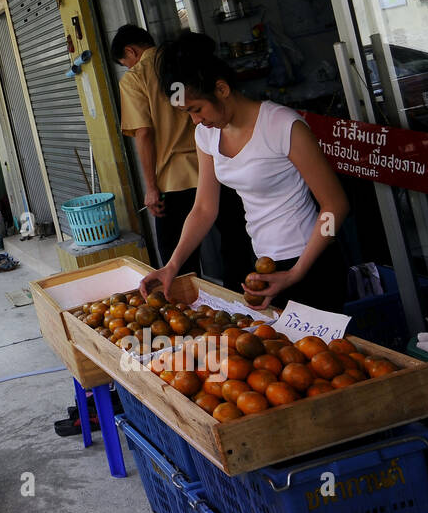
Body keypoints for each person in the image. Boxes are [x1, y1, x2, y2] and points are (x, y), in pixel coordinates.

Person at [139, 32, 351, 312]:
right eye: (188, 114)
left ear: (222, 90)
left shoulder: (283, 125)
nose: (196, 120)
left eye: (197, 109)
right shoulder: (206, 136)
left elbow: (335, 206)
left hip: (311, 262)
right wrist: (172, 265)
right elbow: (203, 209)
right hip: (264, 263)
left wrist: (296, 272)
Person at [112, 25, 251, 288]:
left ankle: (194, 317)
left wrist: (150, 187)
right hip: (218, 167)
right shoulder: (182, 63)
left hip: (174, 180)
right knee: (236, 246)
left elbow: (144, 133)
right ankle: (243, 309)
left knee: (179, 265)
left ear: (131, 51)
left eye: (126, 62)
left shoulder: (135, 78)